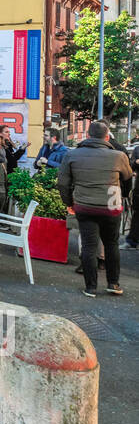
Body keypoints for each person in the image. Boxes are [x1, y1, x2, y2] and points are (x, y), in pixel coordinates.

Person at [57, 120, 133, 298]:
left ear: (87, 135)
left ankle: (91, 287)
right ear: (107, 137)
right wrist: (123, 195)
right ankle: (113, 284)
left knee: (89, 246)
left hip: (84, 206)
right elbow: (128, 178)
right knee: (111, 244)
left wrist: (69, 202)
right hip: (111, 206)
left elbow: (62, 183)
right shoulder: (119, 156)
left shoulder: (72, 154)